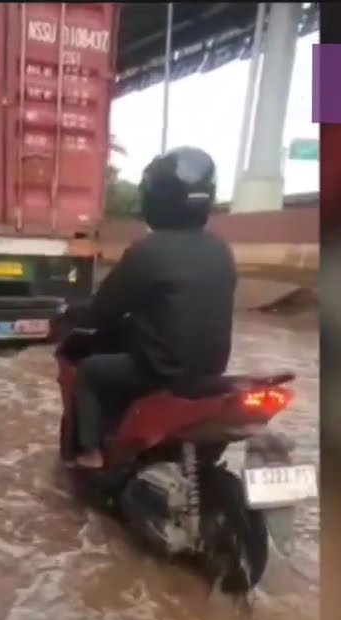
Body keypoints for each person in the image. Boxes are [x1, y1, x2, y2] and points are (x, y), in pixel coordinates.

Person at [72, 147, 237, 469]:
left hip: (162, 373)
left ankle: (89, 454)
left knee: (90, 372)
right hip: (211, 373)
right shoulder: (221, 249)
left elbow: (103, 310)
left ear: (157, 198)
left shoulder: (148, 250)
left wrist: (72, 316)